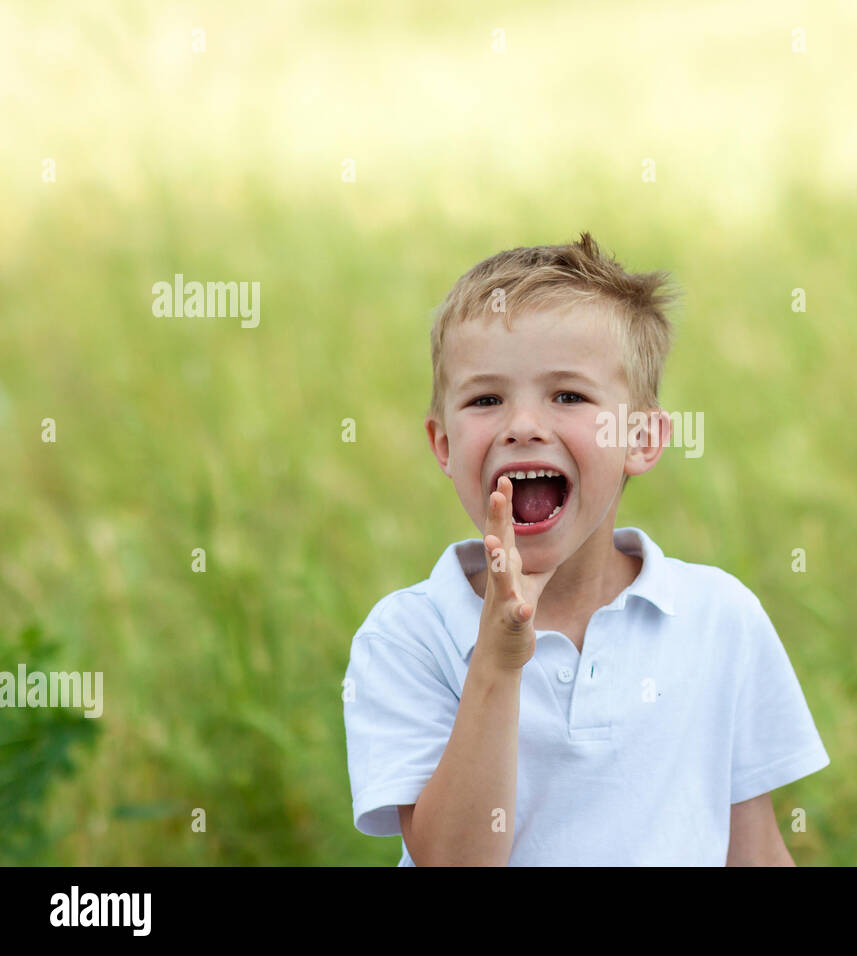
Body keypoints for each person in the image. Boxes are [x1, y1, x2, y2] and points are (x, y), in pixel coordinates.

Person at [343, 232, 829, 865]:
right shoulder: (408, 636)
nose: (522, 425)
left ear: (642, 438)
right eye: (486, 399)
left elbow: (755, 851)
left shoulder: (717, 618)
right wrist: (496, 658)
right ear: (442, 444)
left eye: (568, 396)